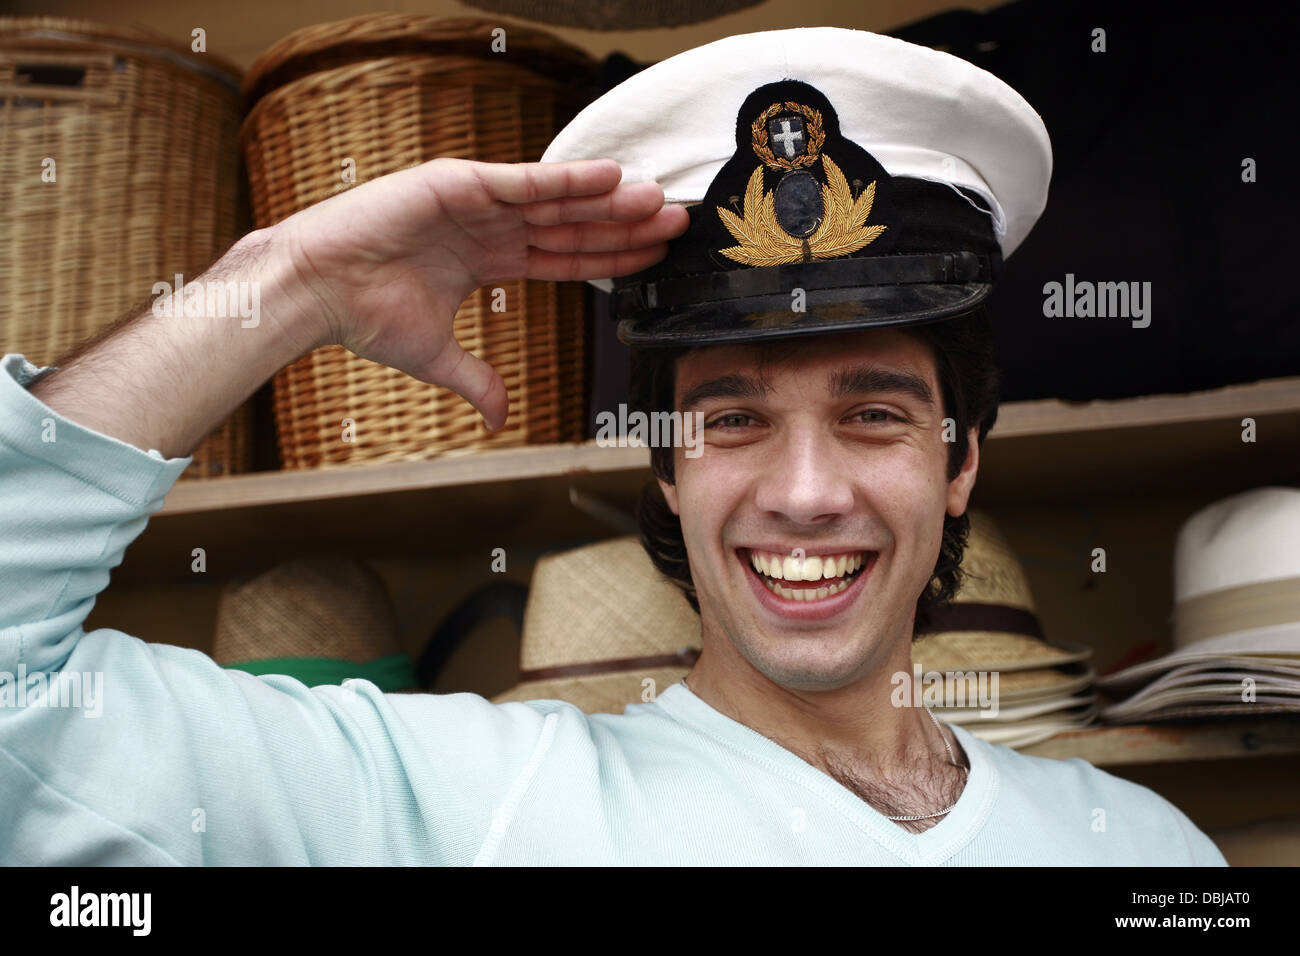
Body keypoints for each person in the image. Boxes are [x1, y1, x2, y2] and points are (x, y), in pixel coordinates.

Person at [0, 27, 1224, 865]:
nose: (804, 492)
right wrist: (283, 279)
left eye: (873, 413)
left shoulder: (1151, 850)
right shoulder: (456, 803)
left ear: (959, 460)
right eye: (733, 416)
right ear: (666, 463)